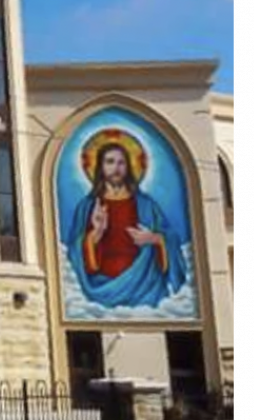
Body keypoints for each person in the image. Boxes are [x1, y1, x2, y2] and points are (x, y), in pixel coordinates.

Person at [68, 133, 188, 311]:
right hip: (100, 288)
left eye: (121, 162)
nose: (116, 168)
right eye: (110, 162)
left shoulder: (146, 205)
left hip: (145, 286)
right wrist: (96, 233)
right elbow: (73, 251)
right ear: (99, 167)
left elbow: (171, 239)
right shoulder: (87, 207)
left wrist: (155, 239)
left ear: (129, 167)